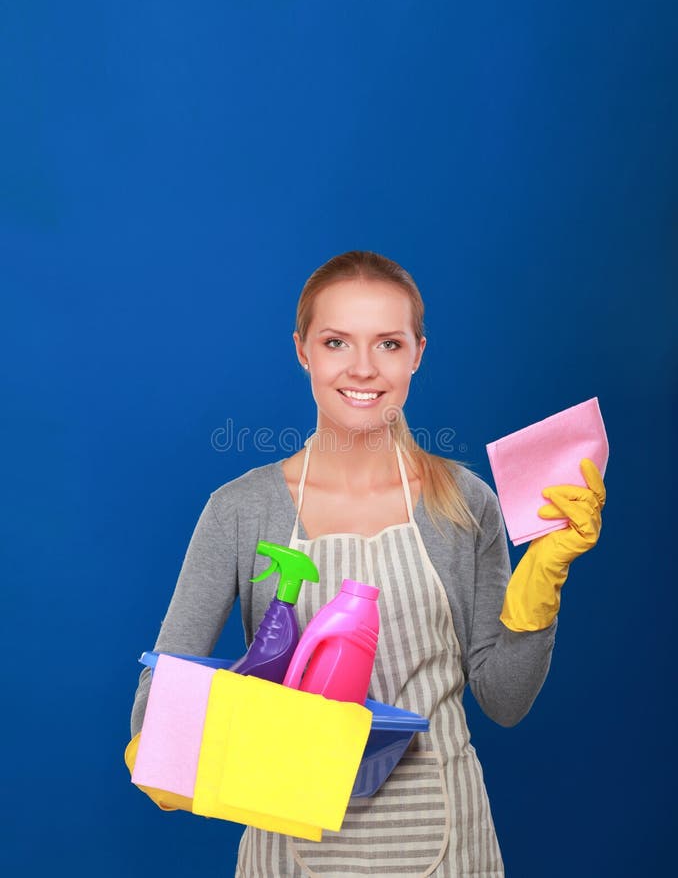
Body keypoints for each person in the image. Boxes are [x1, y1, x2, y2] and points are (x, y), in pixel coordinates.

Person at [127, 250, 606, 877]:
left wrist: (541, 580)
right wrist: (182, 737)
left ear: (417, 354)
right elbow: (155, 703)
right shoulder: (240, 511)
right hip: (288, 854)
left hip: (451, 848)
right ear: (303, 351)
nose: (362, 368)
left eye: (387, 343)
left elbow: (504, 700)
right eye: (335, 342)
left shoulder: (464, 503)